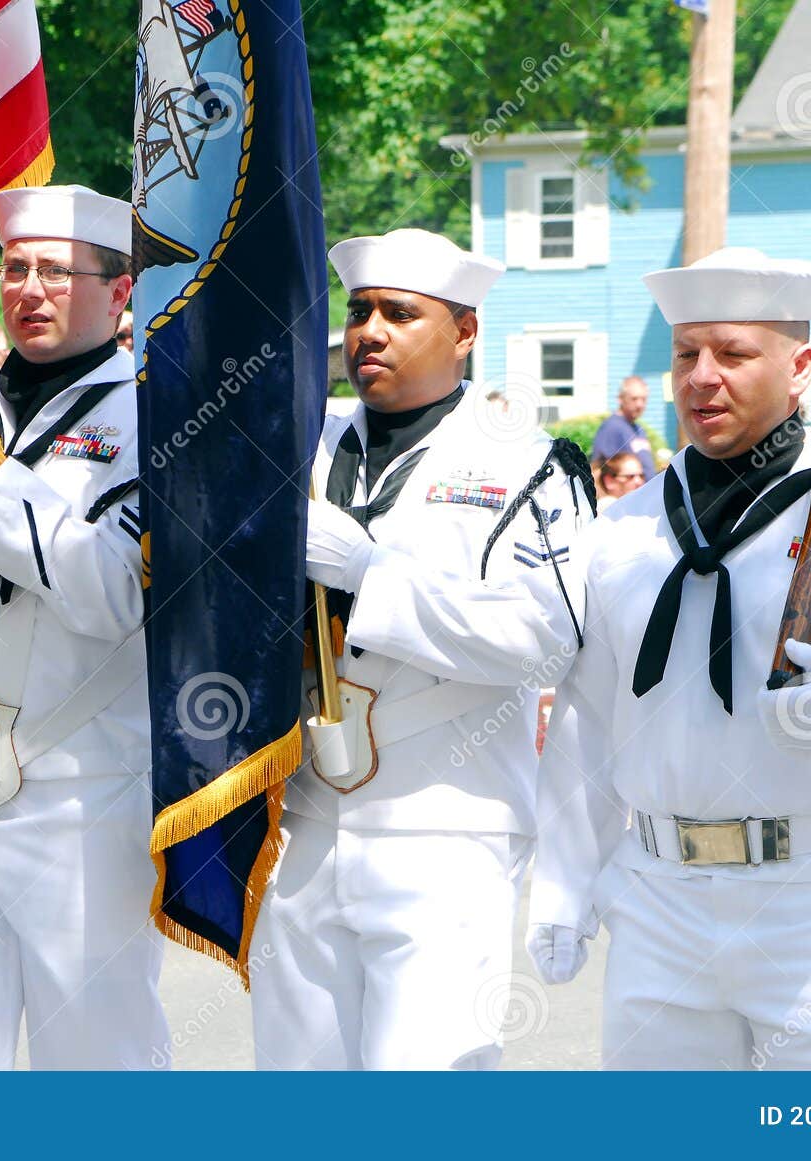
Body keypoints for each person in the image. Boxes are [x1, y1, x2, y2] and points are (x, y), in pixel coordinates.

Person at [528, 247, 811, 1070]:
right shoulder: (624, 529)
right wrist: (565, 882)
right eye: (686, 354)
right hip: (658, 895)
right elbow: (586, 721)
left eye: (734, 353)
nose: (703, 376)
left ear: (803, 364)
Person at [251, 228, 593, 1071]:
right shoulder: (298, 441)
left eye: (401, 314)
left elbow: (546, 636)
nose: (369, 331)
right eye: (360, 310)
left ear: (465, 332)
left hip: (445, 821)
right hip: (302, 821)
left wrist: (374, 578)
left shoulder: (527, 461)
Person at [0, 185, 168, 1070]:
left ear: (120, 291)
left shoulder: (155, 416)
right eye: (14, 268)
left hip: (84, 793)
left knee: (96, 1069)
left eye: (57, 271)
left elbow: (108, 595)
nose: (30, 289)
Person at [590, 375, 656, 478]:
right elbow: (600, 469)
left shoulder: (638, 429)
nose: (639, 404)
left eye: (643, 399)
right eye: (634, 399)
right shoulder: (612, 427)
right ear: (621, 399)